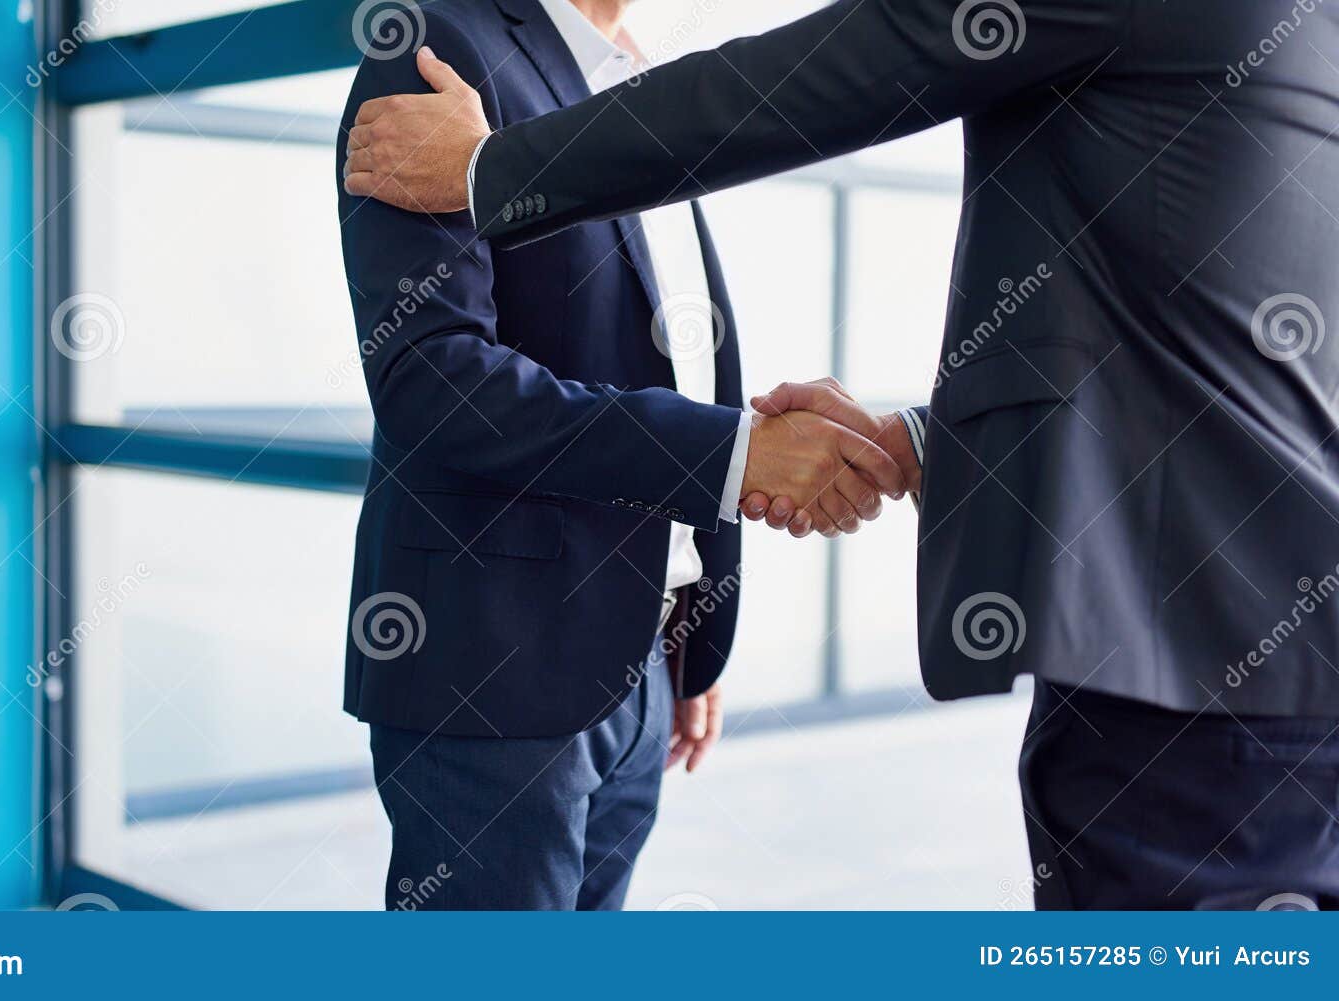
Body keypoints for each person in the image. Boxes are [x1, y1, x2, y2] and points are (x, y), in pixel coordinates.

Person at [343, 0, 1339, 909]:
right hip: (1265, 653)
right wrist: (903, 443)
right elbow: (434, 378)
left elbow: (813, 82)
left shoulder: (620, 76)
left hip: (1197, 671)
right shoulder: (442, 49)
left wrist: (490, 171)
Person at [337, 0, 921, 910]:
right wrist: (740, 455)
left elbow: (669, 350)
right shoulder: (437, 41)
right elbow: (433, 377)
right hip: (498, 663)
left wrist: (686, 633)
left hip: (643, 657)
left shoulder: (642, 79)